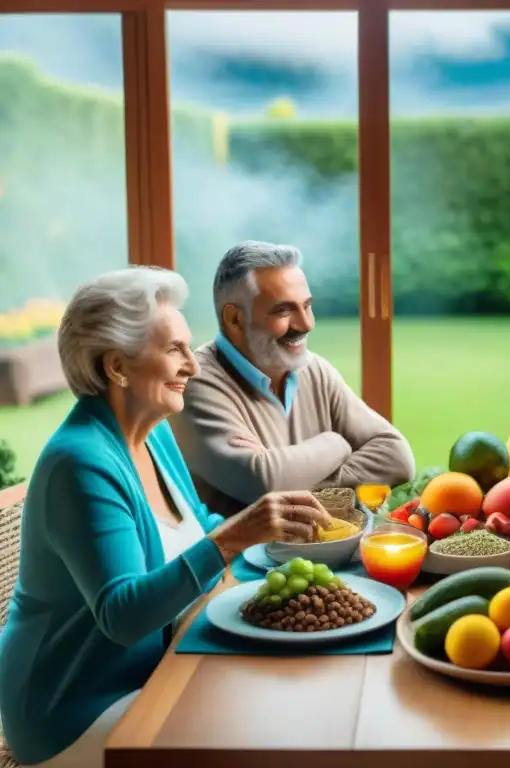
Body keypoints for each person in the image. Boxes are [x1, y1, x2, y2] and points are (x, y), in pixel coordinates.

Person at [0, 267, 333, 768]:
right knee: (265, 736)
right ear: (117, 367)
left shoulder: (152, 433)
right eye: (174, 350)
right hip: (74, 710)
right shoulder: (80, 462)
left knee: (292, 704)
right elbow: (123, 615)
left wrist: (272, 561)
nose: (193, 367)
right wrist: (234, 536)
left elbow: (196, 525)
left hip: (159, 670)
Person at [169, 241, 415, 517]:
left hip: (323, 552)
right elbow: (262, 481)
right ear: (235, 318)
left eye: (307, 306)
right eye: (284, 310)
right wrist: (337, 442)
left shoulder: (314, 370)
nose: (306, 323)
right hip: (244, 560)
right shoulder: (196, 382)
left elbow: (396, 456)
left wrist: (293, 487)